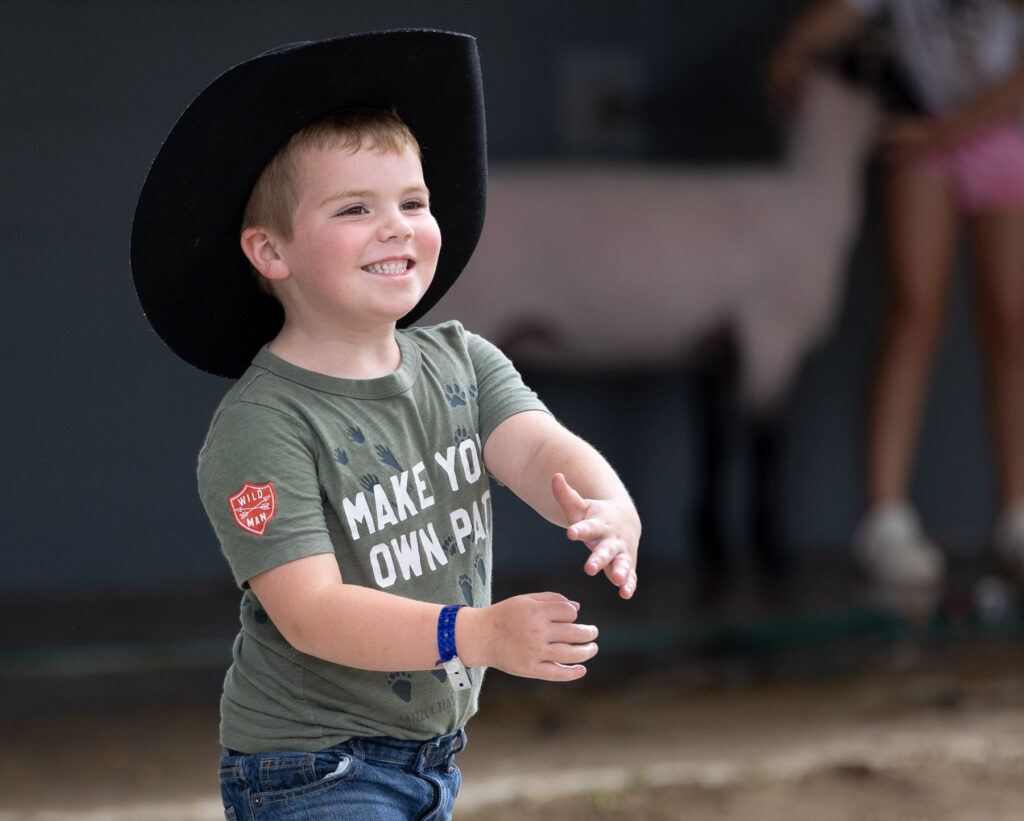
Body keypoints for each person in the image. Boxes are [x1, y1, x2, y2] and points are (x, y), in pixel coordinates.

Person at [130, 31, 640, 819]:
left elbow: (540, 448)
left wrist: (611, 506)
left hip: (431, 754)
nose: (397, 226)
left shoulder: (461, 361)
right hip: (309, 763)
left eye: (413, 201)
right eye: (355, 208)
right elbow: (311, 611)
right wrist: (478, 634)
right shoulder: (264, 423)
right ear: (272, 250)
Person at [769, 0, 1024, 587]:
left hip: (995, 131)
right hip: (921, 141)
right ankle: (885, 518)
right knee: (913, 312)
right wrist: (793, 47)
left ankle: (1016, 513)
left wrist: (949, 130)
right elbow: (841, 15)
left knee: (1010, 324)